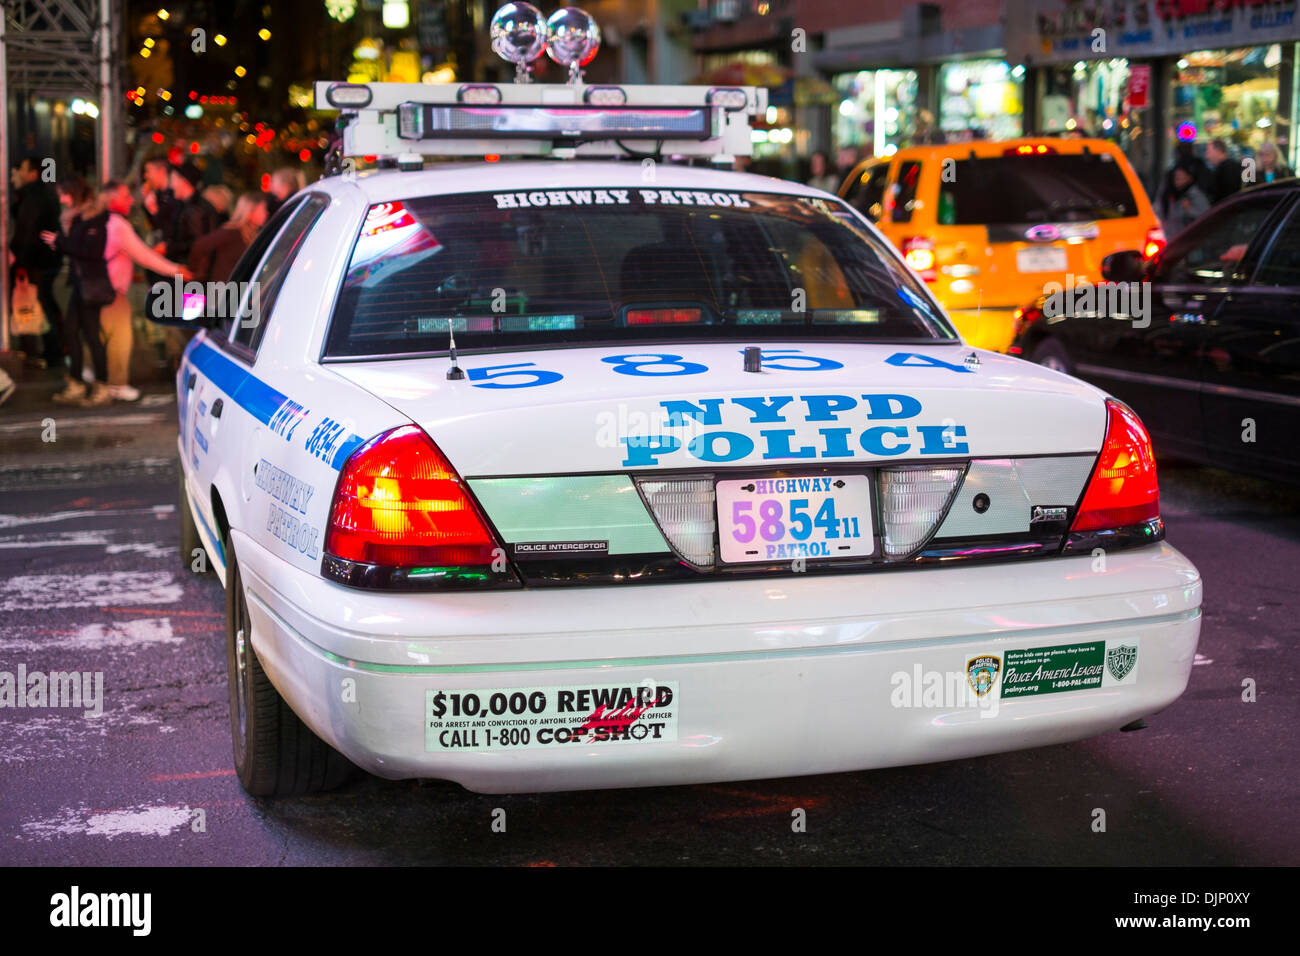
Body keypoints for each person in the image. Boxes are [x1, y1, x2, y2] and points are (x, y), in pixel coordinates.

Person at [99, 180, 188, 402]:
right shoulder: (117, 224)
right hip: (112, 291)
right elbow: (144, 256)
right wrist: (177, 270)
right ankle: (117, 384)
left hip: (93, 289)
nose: (130, 200)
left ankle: (98, 379)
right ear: (112, 199)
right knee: (119, 339)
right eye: (125, 196)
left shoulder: (96, 220)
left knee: (101, 336)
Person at [39, 176, 112, 405]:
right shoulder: (80, 218)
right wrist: (61, 243)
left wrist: (61, 242)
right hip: (82, 284)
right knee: (72, 331)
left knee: (90, 334)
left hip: (90, 285)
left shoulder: (95, 218)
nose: (61, 199)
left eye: (64, 194)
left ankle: (100, 386)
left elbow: (89, 251)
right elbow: (78, 249)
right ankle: (77, 382)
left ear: (75, 193)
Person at [9, 154, 65, 368]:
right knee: (45, 300)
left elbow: (28, 231)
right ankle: (56, 347)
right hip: (46, 259)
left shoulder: (34, 197)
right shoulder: (41, 194)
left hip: (37, 260)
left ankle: (52, 351)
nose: (18, 174)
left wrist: (21, 262)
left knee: (41, 302)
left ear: (32, 173)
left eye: (22, 169)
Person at [189, 192, 267, 284]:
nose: (266, 213)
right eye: (262, 210)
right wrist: (195, 272)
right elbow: (200, 245)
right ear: (250, 211)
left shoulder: (254, 234)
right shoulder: (232, 232)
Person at [1157, 160, 1211, 237]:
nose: (1178, 179)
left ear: (1190, 178)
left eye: (1181, 176)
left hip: (1187, 242)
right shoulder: (1167, 193)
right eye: (1176, 177)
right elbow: (1158, 212)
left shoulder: (1195, 195)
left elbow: (1206, 217)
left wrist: (1190, 209)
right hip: (1169, 239)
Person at [1204, 139, 1241, 204]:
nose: (1206, 156)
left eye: (1208, 152)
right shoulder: (1237, 166)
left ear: (1218, 151)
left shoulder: (1221, 172)